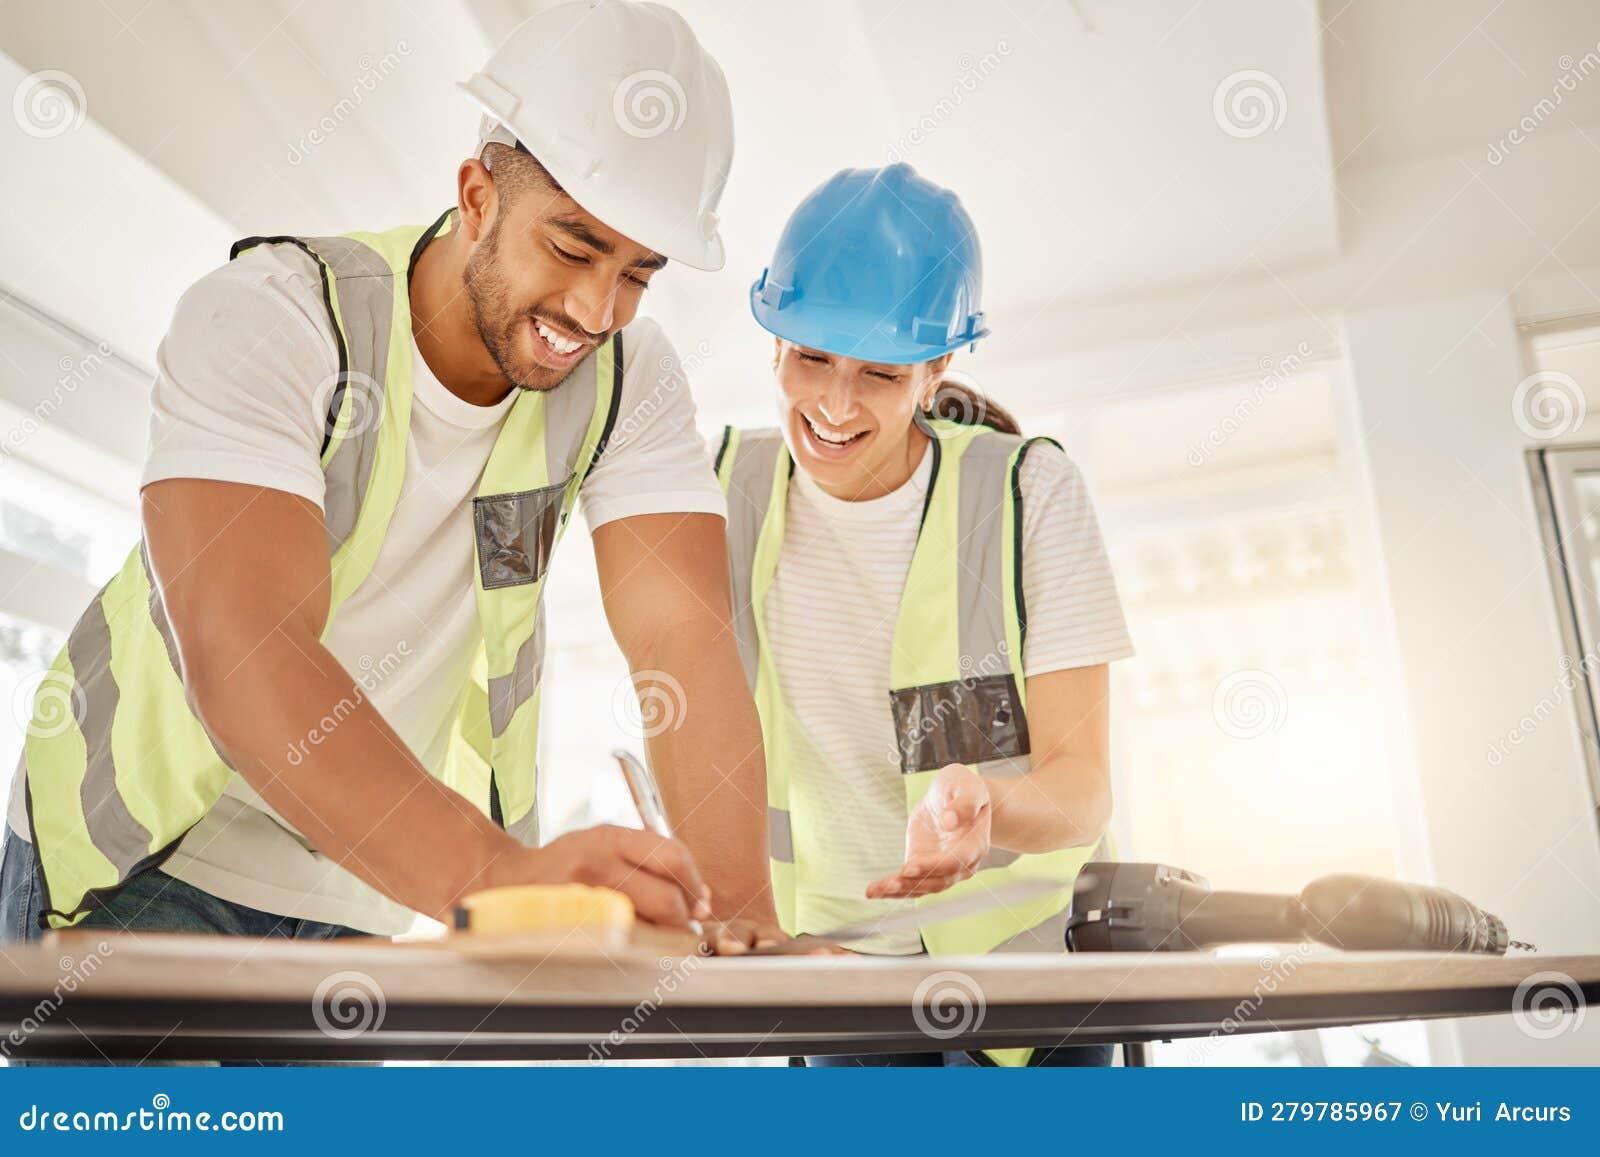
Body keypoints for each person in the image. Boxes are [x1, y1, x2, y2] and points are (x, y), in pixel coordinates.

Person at [1, 1, 779, 956]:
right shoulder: (277, 317)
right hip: (146, 862)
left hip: (366, 885)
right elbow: (245, 652)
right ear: (478, 198)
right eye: (572, 248)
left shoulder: (628, 380)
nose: (595, 307)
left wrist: (742, 914)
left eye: (638, 274)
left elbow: (684, 638)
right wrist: (498, 878)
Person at [715, 164, 1135, 1066]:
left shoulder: (1027, 492)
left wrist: (991, 803)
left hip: (1022, 991)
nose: (832, 403)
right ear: (775, 340)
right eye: (810, 357)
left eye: (878, 372)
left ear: (938, 364)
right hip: (836, 981)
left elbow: (1083, 790)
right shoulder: (719, 489)